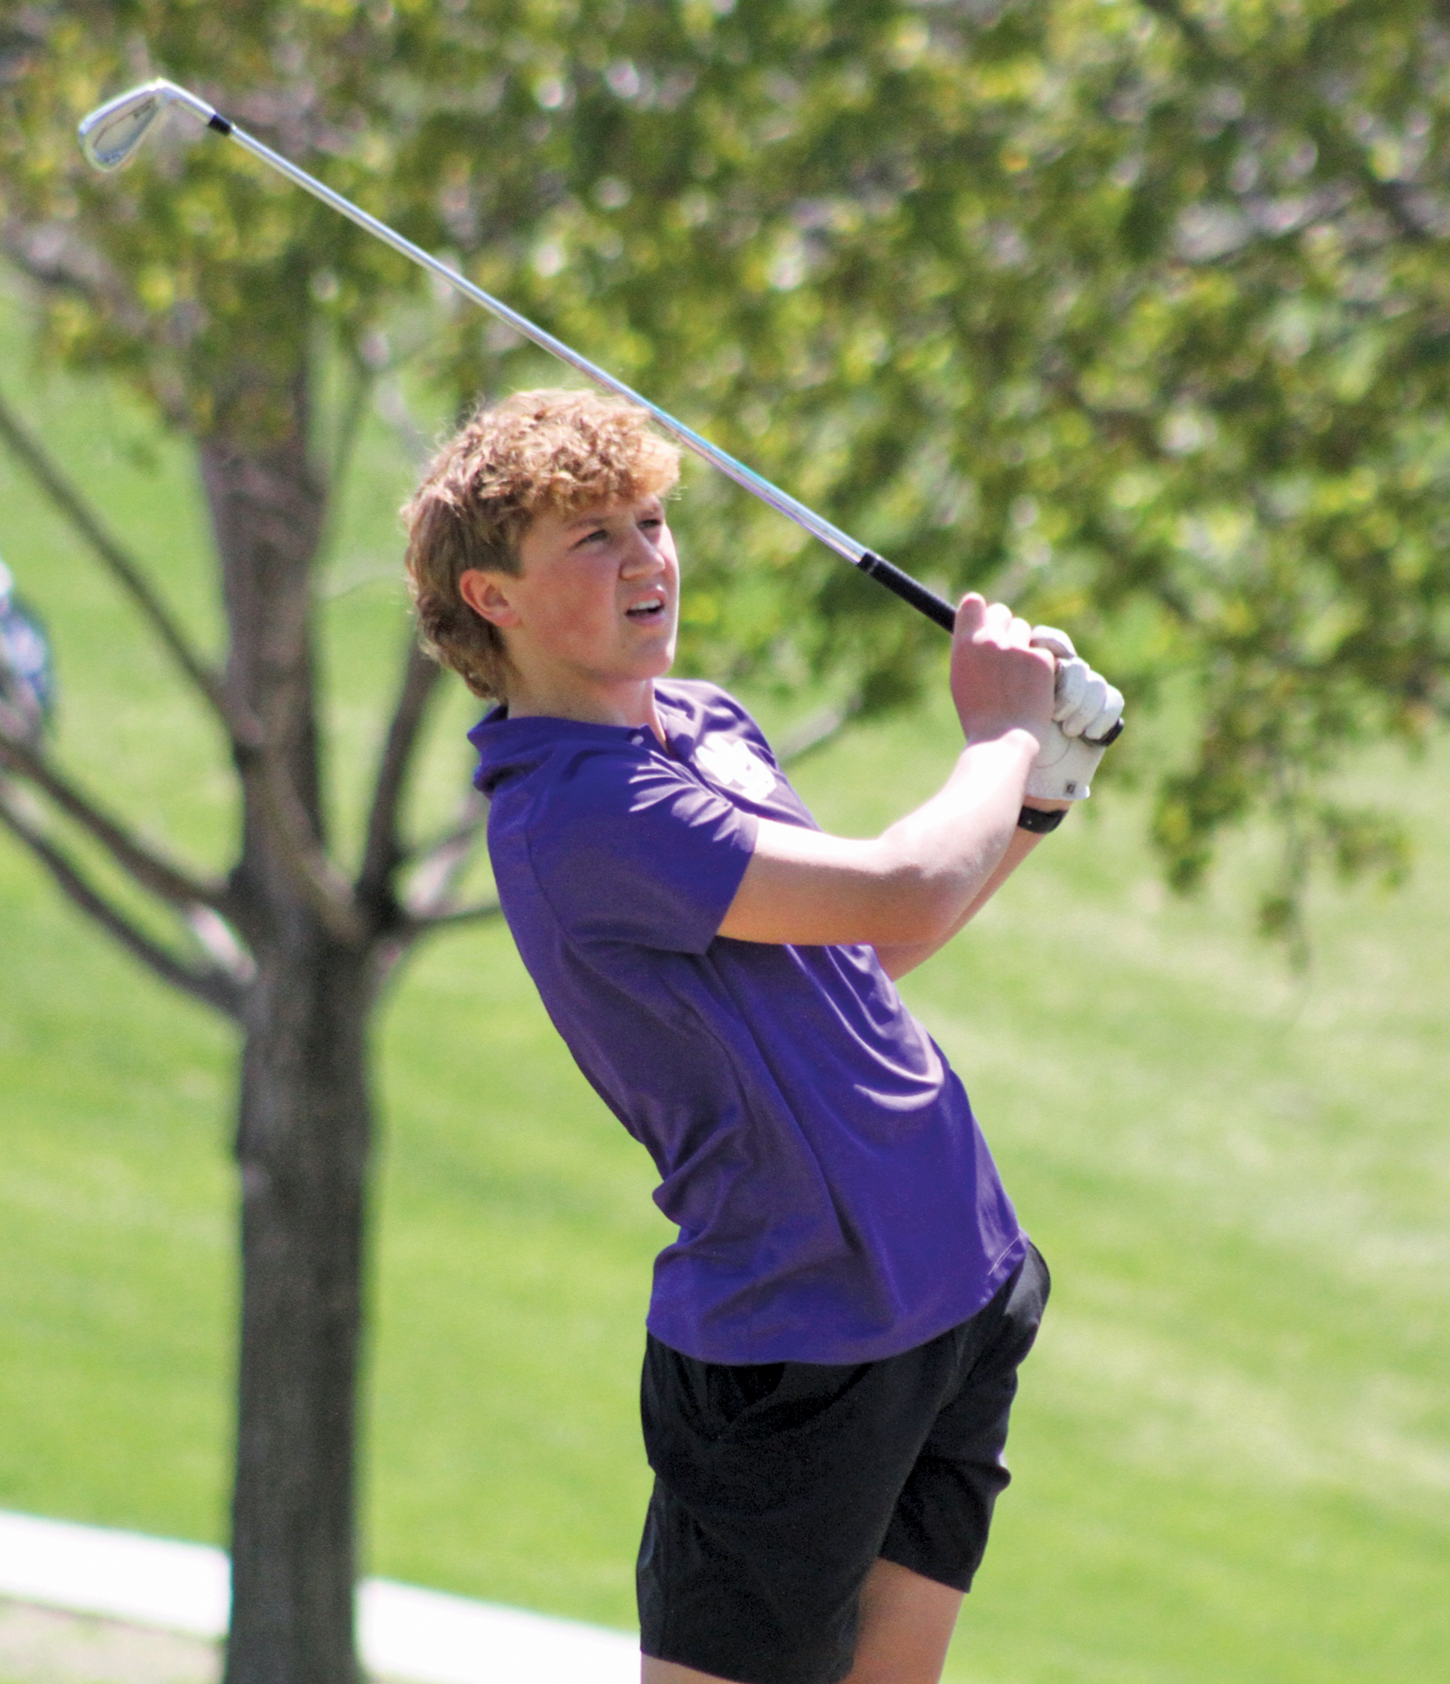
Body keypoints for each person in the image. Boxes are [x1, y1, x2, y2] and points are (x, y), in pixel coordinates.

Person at [402, 389, 1123, 1684]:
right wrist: (1001, 737)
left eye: (652, 519)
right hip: (794, 1337)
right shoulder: (577, 810)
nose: (647, 559)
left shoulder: (705, 723)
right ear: (492, 598)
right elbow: (903, 882)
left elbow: (854, 954)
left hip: (956, 1281)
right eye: (592, 539)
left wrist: (1038, 791)